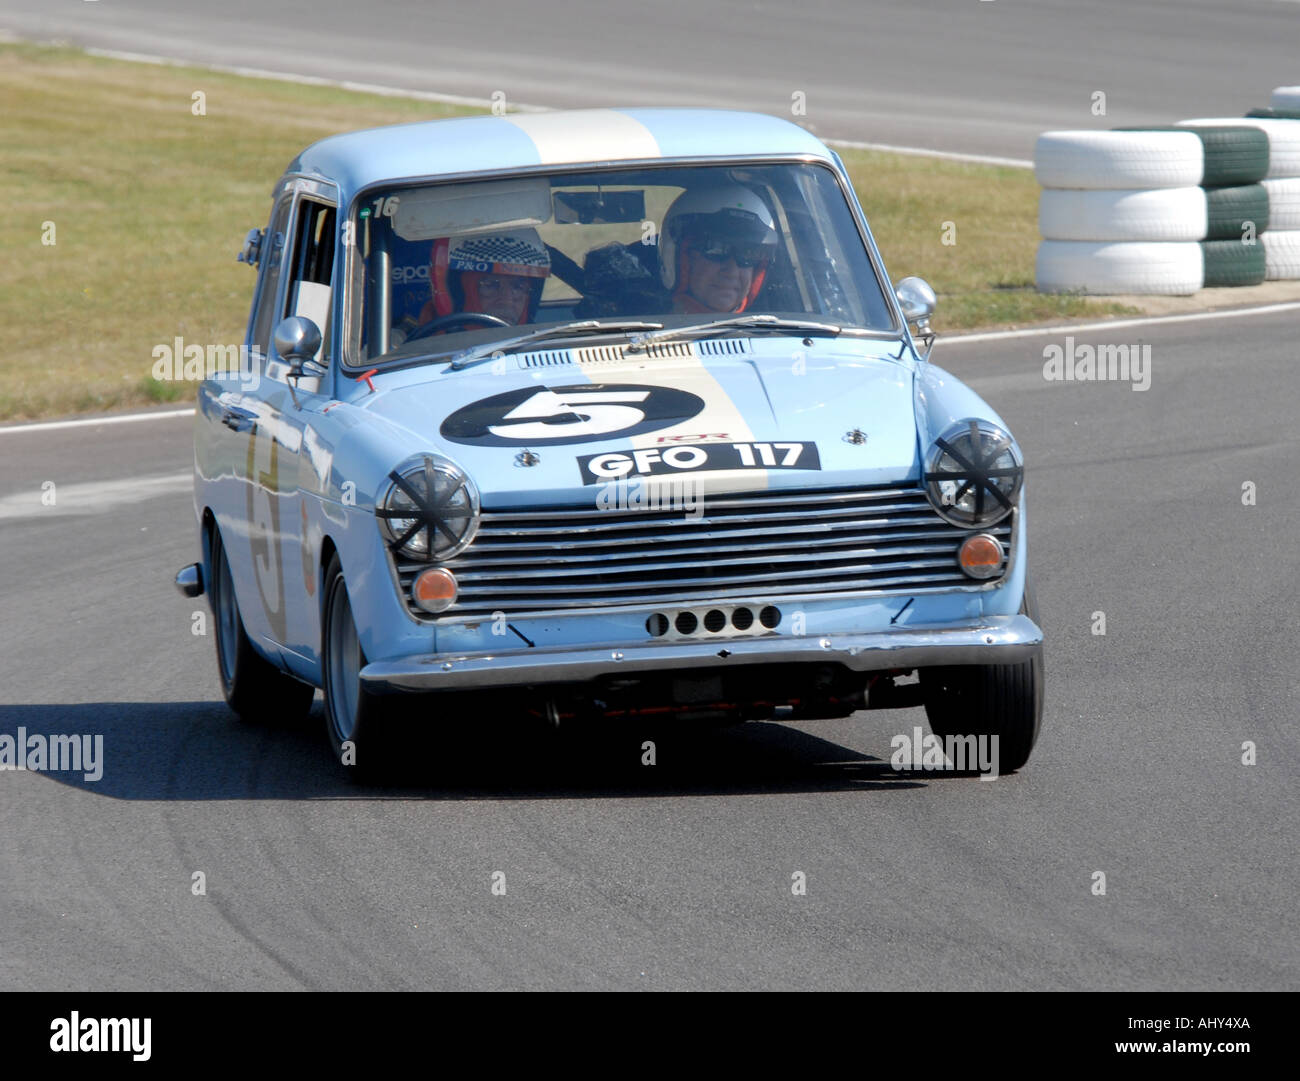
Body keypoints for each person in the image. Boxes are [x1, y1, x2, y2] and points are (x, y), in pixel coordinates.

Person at [659, 184, 779, 314]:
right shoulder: (644, 329)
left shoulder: (781, 327)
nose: (732, 272)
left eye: (747, 255)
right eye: (717, 250)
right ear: (679, 259)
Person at [416, 228, 552, 330]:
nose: (506, 300)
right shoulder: (430, 352)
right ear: (460, 291)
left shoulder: (544, 349)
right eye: (491, 285)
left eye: (518, 287)